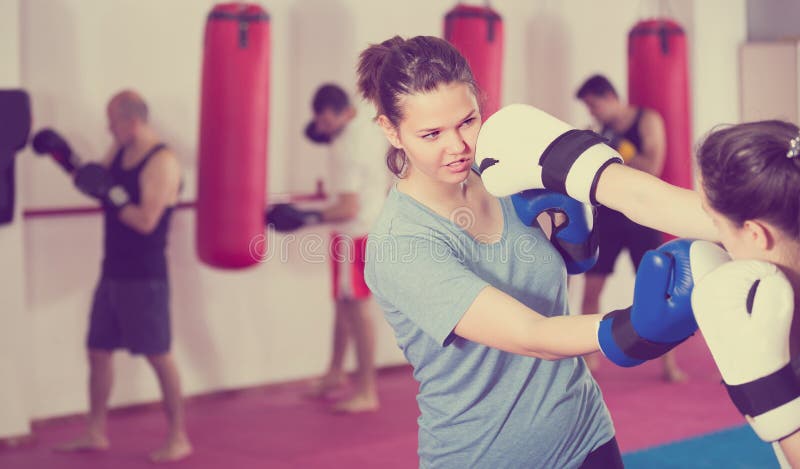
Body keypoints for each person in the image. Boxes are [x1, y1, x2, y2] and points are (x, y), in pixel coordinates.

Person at [356, 35, 721, 468]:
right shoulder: (402, 242)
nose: (457, 146)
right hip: (488, 457)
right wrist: (635, 325)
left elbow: (636, 194)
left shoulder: (505, 166)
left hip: (587, 434)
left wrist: (750, 223)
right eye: (431, 134)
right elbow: (532, 335)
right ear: (390, 130)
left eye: (467, 121)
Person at [476, 107, 800, 467]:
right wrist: (578, 164)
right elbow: (655, 202)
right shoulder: (780, 228)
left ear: (755, 233)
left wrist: (770, 394)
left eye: (716, 222)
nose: (709, 228)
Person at [56, 90, 191, 462]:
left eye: (112, 121)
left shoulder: (161, 161)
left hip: (145, 275)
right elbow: (99, 184)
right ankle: (95, 431)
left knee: (159, 355)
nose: (108, 128)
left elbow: (146, 221)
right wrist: (66, 161)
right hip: (111, 268)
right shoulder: (118, 151)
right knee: (98, 350)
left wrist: (111, 195)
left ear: (132, 122)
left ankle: (178, 436)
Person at [267, 83, 389, 413]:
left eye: (322, 120)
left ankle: (367, 390)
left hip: (356, 231)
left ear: (333, 114)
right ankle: (335, 374)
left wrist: (304, 217)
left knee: (358, 309)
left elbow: (347, 207)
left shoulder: (346, 148)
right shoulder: (367, 121)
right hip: (361, 229)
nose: (319, 128)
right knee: (342, 303)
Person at [574, 74, 685, 381]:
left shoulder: (647, 120)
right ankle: (588, 361)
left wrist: (620, 147)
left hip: (643, 217)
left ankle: (669, 365)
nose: (593, 113)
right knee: (591, 288)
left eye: (594, 106)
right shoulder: (601, 130)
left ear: (610, 96)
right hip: (608, 218)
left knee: (660, 291)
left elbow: (652, 167)